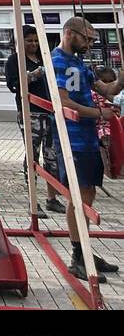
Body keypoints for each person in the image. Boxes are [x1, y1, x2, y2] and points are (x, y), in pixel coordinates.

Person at [52, 17, 123, 279]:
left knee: (88, 194)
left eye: (93, 39)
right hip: (72, 138)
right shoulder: (59, 61)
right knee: (78, 197)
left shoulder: (80, 63)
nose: (90, 43)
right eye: (87, 38)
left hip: (88, 137)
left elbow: (108, 90)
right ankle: (77, 254)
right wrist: (98, 114)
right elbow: (64, 101)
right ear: (70, 33)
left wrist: (121, 80)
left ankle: (83, 248)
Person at [5, 24, 66, 215]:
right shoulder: (15, 60)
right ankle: (33, 200)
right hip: (30, 112)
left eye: (35, 40)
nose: (33, 44)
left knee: (52, 155)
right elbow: (13, 85)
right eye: (29, 40)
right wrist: (33, 75)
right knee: (33, 154)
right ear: (20, 42)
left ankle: (52, 198)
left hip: (48, 111)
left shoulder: (42, 58)